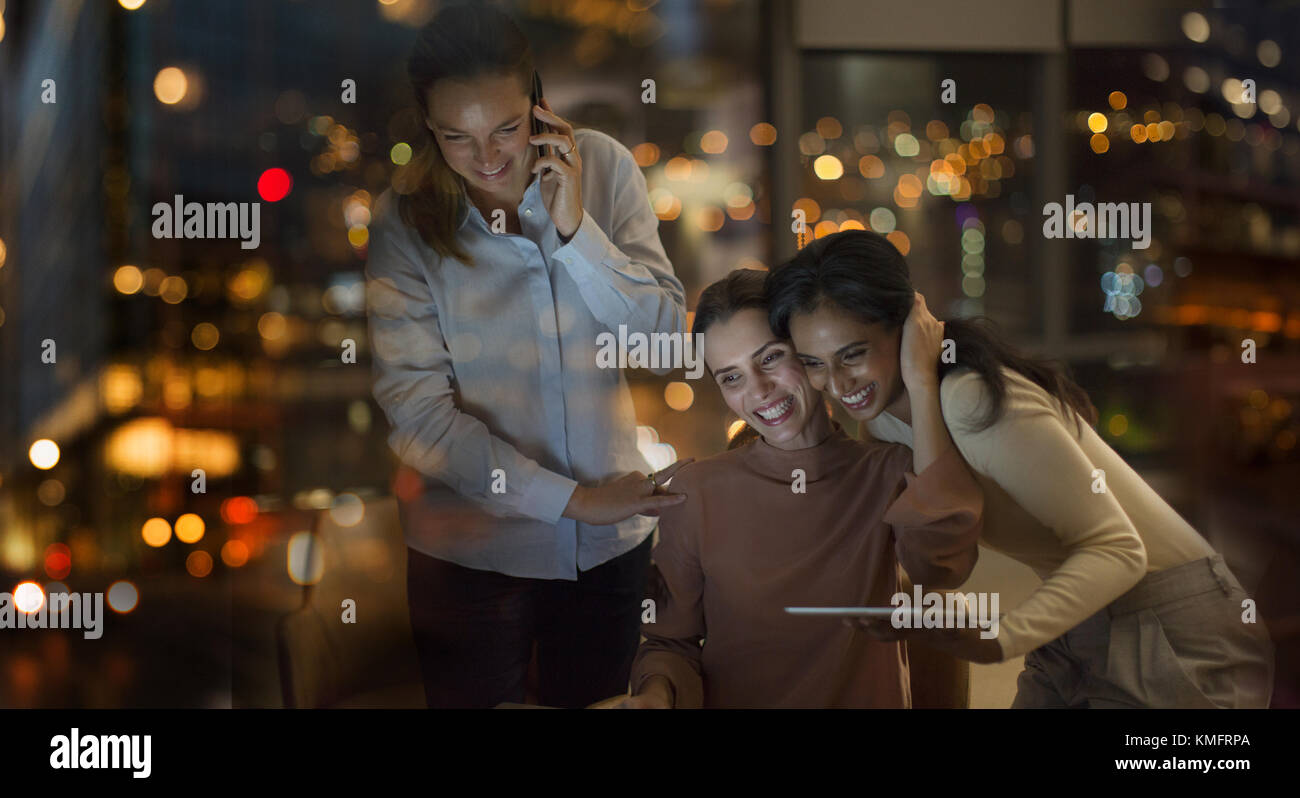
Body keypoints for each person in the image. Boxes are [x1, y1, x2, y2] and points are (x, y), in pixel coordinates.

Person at [767, 229, 1276, 708]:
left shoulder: (969, 398)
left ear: (906, 326)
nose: (835, 383)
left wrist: (1002, 634)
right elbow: (940, 558)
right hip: (1077, 617)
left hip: (1171, 621)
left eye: (852, 354)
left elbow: (1119, 550)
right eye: (814, 363)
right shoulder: (884, 425)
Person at [365, 4, 689, 708]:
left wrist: (575, 229)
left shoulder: (602, 167)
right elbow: (418, 415)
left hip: (609, 550)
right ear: (427, 127)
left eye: (507, 129)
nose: (487, 157)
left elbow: (665, 340)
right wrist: (574, 501)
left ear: (539, 106)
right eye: (457, 137)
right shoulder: (404, 219)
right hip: (471, 557)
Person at [602, 270, 983, 708]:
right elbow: (670, 644)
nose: (759, 391)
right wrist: (655, 695)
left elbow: (944, 566)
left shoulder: (886, 472)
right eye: (731, 377)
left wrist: (921, 381)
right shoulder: (697, 492)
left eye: (770, 358)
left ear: (808, 351)